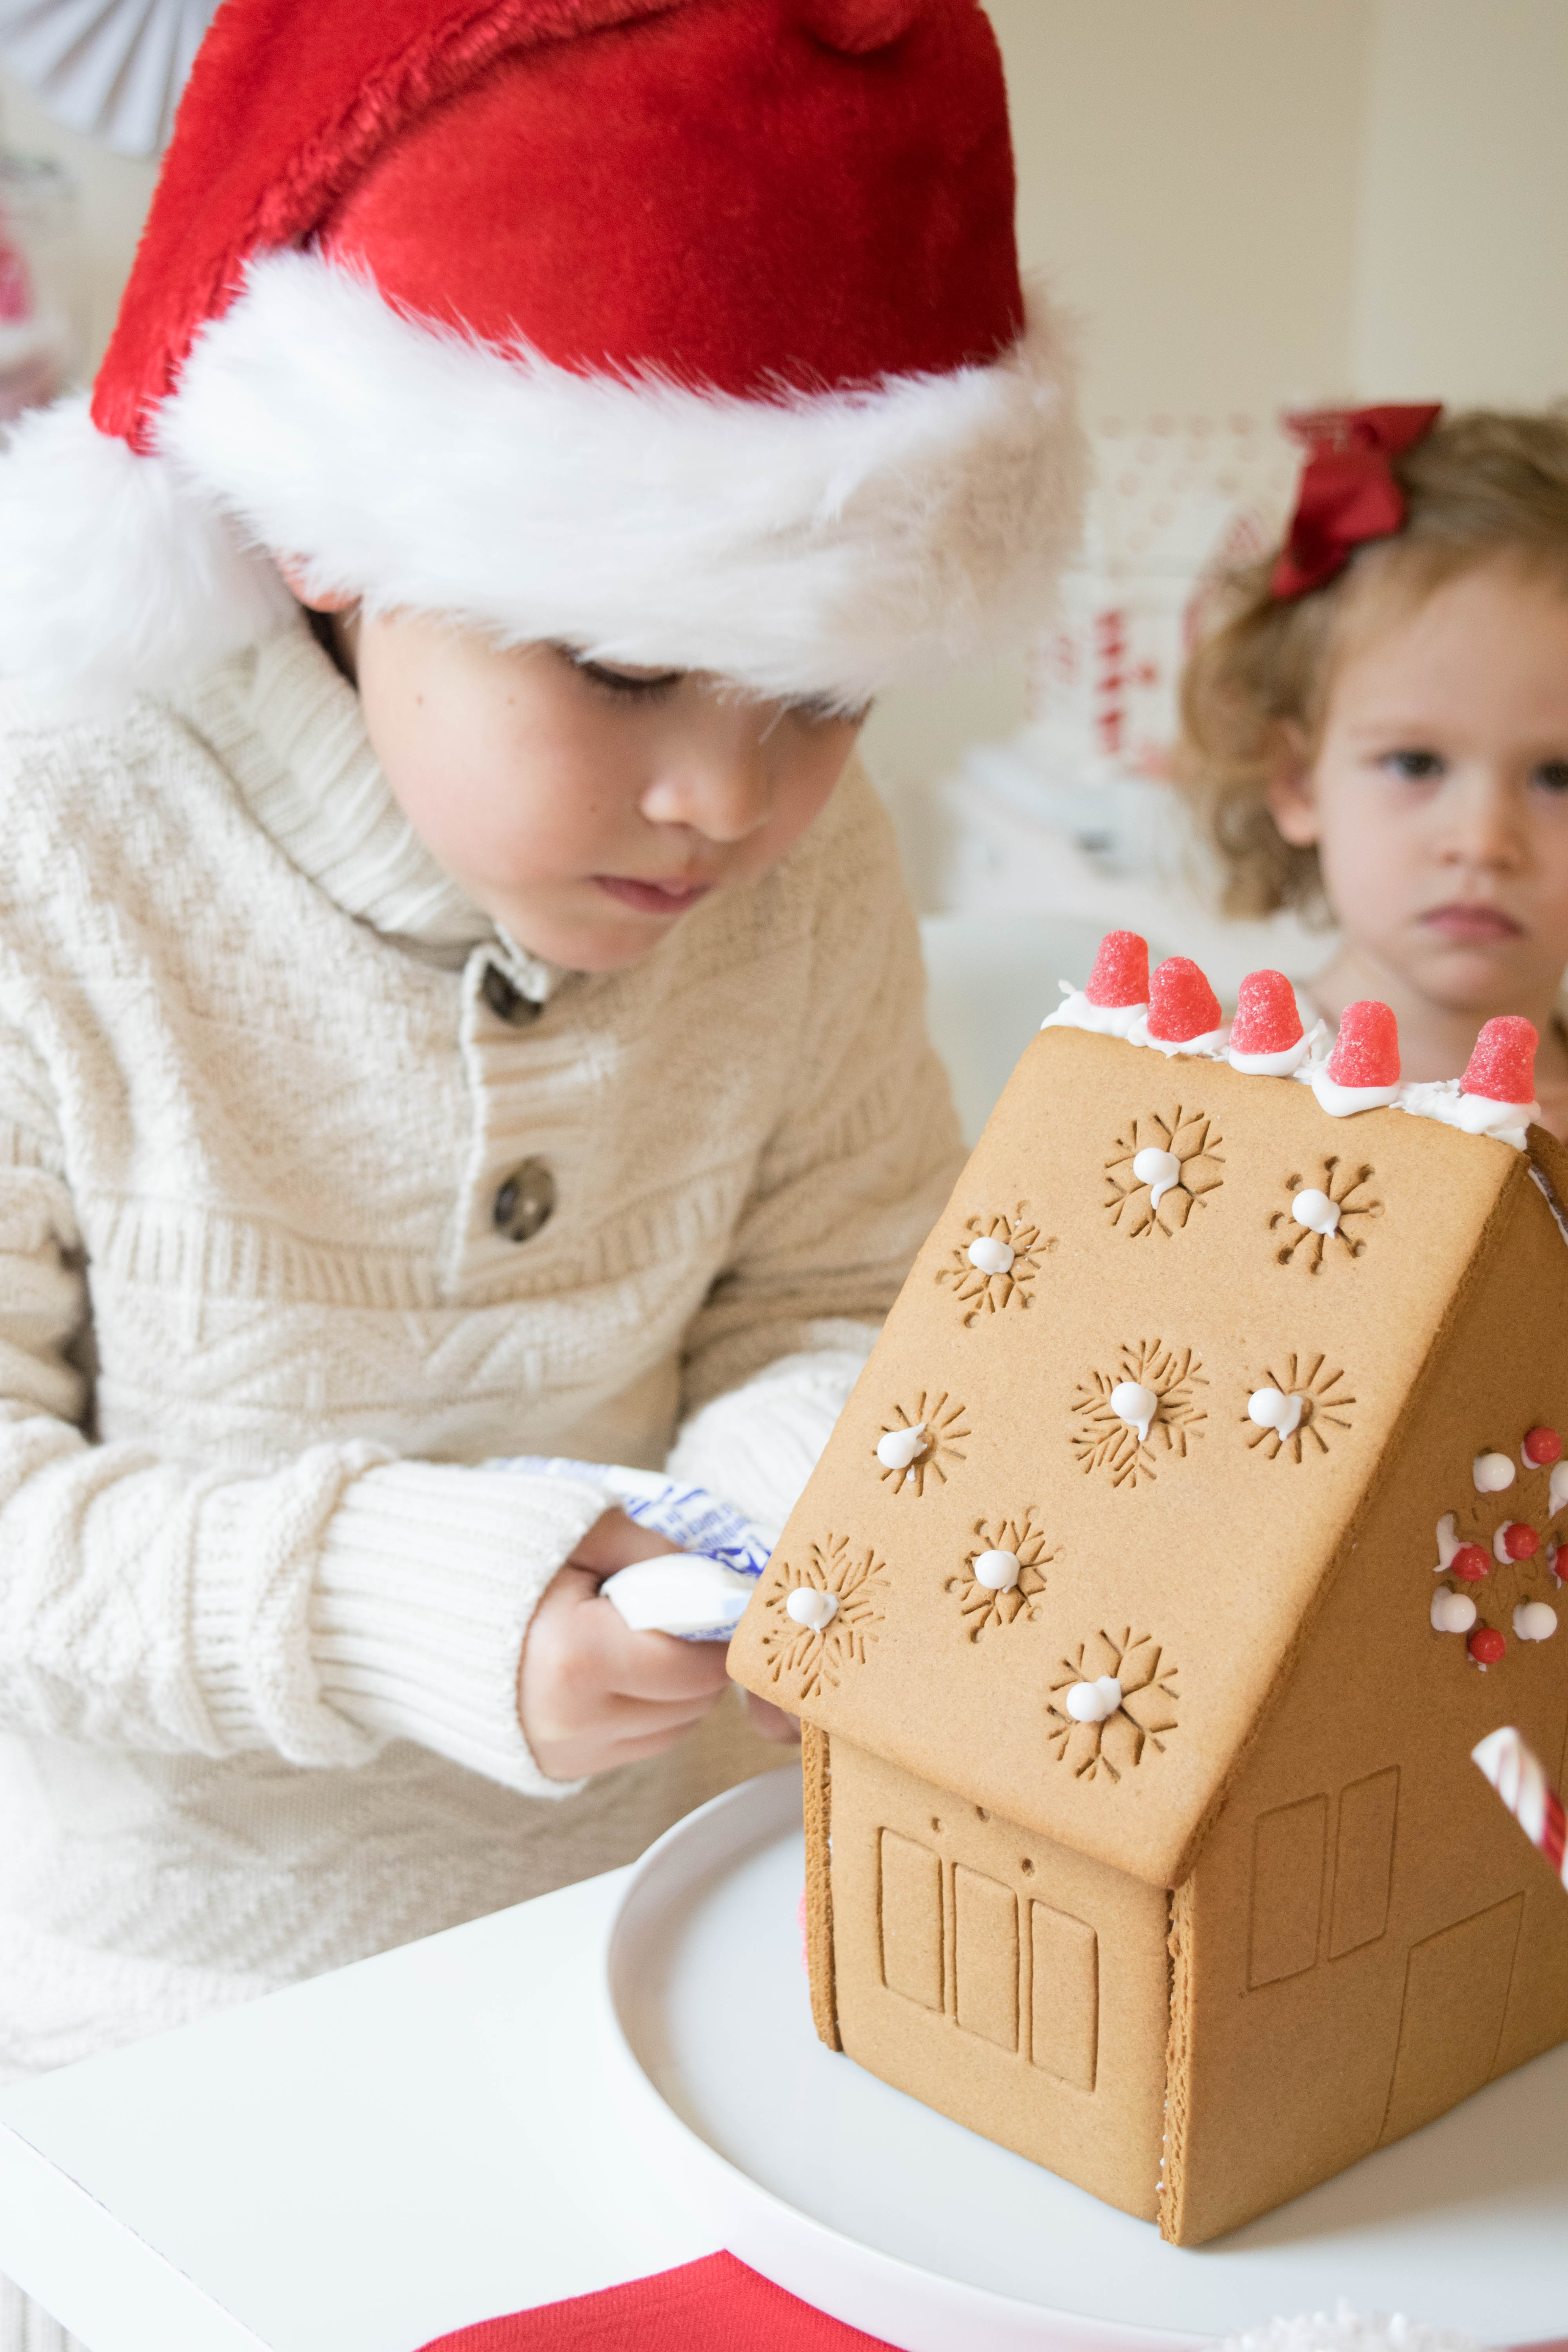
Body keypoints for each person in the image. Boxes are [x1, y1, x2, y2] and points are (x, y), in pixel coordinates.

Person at [0, 3, 1085, 2341]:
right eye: (613, 665)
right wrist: (425, 1597)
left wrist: (749, 1512)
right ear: (327, 534)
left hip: (676, 1930)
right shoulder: (52, 839)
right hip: (162, 2018)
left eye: (821, 690)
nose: (735, 797)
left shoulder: (802, 873)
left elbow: (864, 1296)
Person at [1178, 405, 1568, 1139]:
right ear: (1297, 779)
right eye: (1416, 763)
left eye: (1559, 778)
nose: (1484, 842)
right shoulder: (1216, 1090)